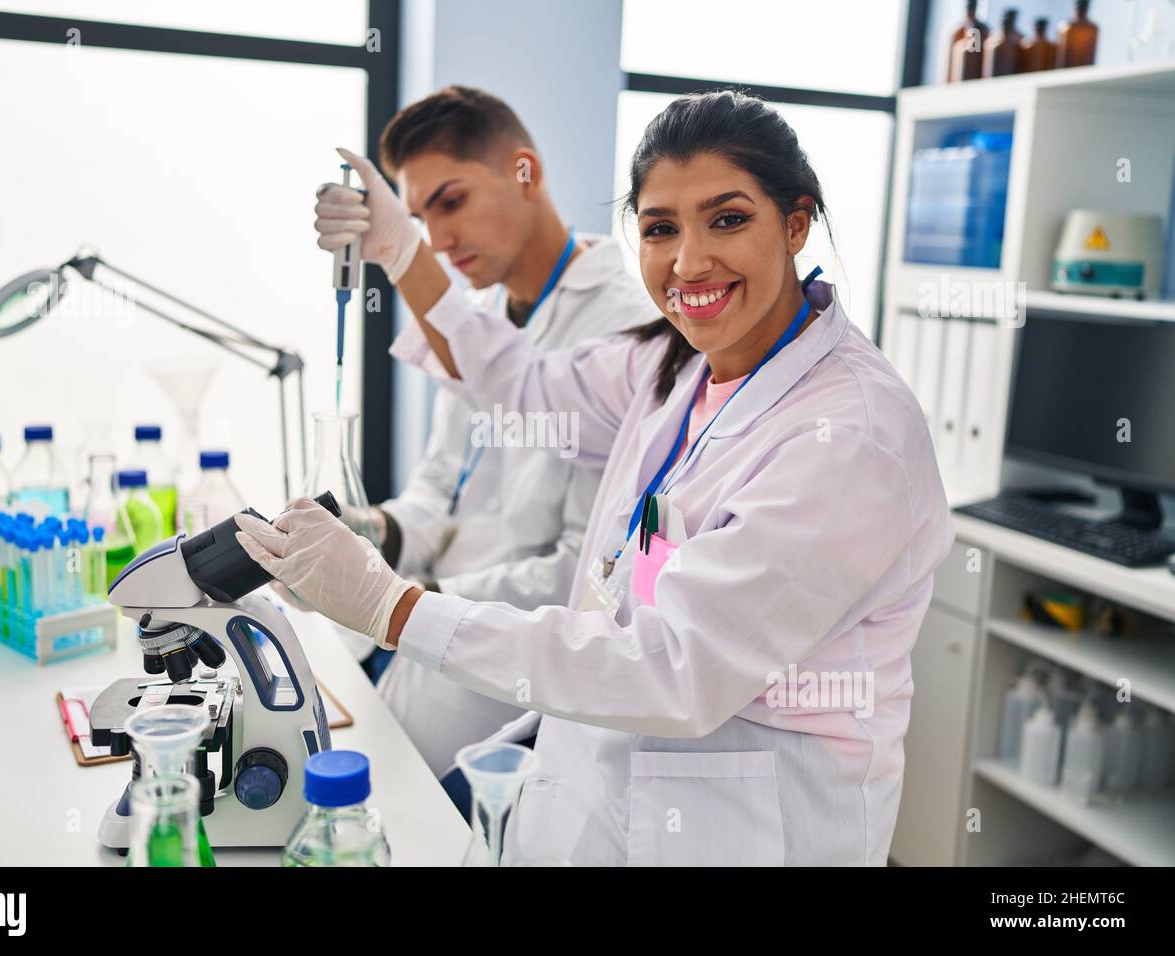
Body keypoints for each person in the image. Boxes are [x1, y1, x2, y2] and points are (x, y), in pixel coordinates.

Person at [239, 91, 955, 865]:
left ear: (795, 222)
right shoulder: (673, 365)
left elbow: (670, 665)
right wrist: (399, 250)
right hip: (600, 780)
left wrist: (395, 607)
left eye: (728, 218)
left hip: (746, 830)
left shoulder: (850, 436)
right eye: (659, 229)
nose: (688, 261)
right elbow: (520, 382)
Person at [304, 85, 654, 779]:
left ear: (525, 172)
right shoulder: (477, 313)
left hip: (500, 670)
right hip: (411, 632)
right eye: (419, 216)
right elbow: (441, 487)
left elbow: (586, 569)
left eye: (452, 201)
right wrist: (372, 532)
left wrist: (419, 605)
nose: (438, 238)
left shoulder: (623, 327)